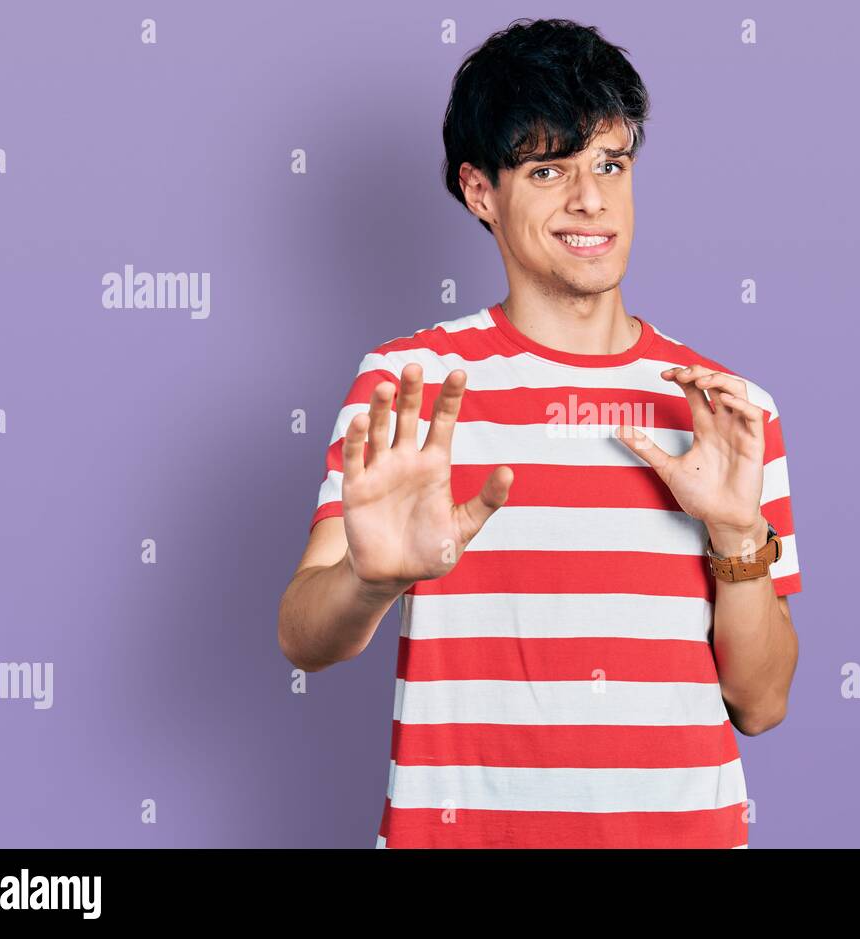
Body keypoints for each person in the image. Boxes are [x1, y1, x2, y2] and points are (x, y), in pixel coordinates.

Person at [277, 17, 802, 849]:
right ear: (481, 190)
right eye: (548, 168)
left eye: (609, 164)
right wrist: (373, 580)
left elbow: (762, 703)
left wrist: (738, 533)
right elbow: (304, 636)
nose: (590, 199)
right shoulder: (409, 386)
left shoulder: (727, 409)